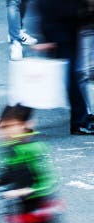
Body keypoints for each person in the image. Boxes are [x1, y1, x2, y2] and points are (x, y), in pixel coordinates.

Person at [33, 0, 94, 134]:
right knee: (66, 75)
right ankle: (80, 121)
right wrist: (46, 36)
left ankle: (81, 119)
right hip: (60, 27)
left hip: (69, 25)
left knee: (66, 74)